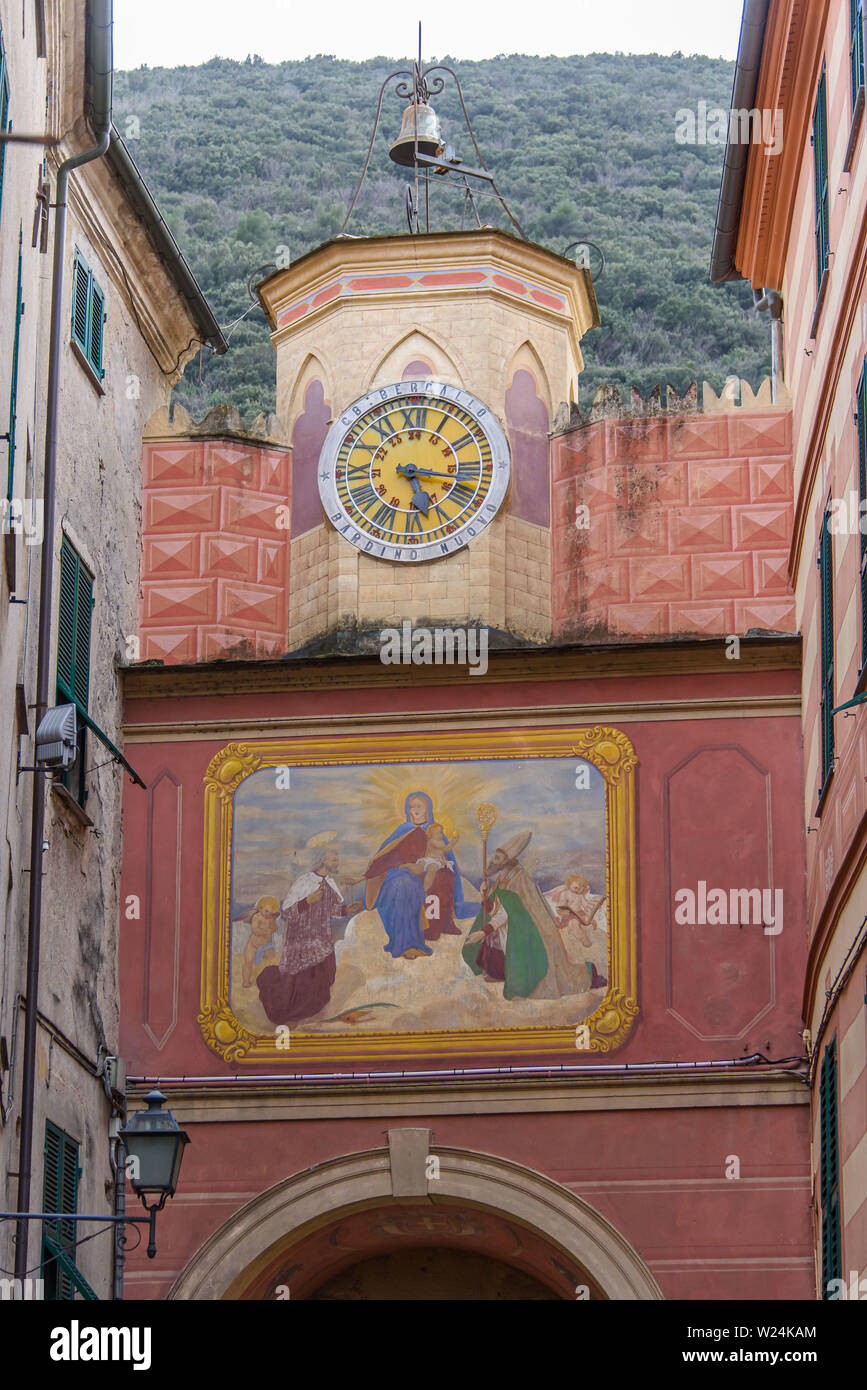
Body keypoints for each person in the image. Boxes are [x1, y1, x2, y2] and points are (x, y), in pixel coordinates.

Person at [463, 832, 591, 1000]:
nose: (493, 861)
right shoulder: (502, 877)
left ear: (507, 861)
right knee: (493, 943)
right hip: (504, 929)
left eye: (498, 858)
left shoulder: (519, 881)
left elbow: (505, 915)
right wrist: (484, 895)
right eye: (495, 856)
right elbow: (493, 910)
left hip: (521, 931)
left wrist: (483, 932)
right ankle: (499, 970)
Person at [363, 792, 476, 959]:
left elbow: (444, 854)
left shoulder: (434, 831)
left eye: (419, 806)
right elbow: (386, 854)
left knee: (438, 878)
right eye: (411, 806)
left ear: (427, 809)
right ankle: (405, 943)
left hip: (423, 870)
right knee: (404, 884)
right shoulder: (403, 830)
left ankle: (430, 931)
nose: (414, 810)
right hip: (400, 872)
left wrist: (441, 864)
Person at [257, 848, 344, 1024]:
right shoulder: (305, 881)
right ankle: (293, 1015)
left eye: (337, 860)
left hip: (323, 940)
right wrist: (308, 901)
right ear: (323, 860)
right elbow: (288, 910)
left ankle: (311, 1011)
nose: (337, 863)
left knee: (325, 980)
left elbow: (333, 910)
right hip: (303, 942)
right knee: (301, 986)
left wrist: (347, 910)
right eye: (333, 860)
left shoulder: (330, 883)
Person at [241, 895, 280, 987]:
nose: (268, 914)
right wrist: (266, 931)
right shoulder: (257, 917)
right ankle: (246, 981)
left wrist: (273, 924)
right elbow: (255, 930)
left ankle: (269, 980)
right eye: (266, 911)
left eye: (271, 912)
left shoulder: (270, 918)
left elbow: (274, 929)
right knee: (248, 962)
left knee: (270, 963)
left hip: (266, 946)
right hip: (253, 945)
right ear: (260, 908)